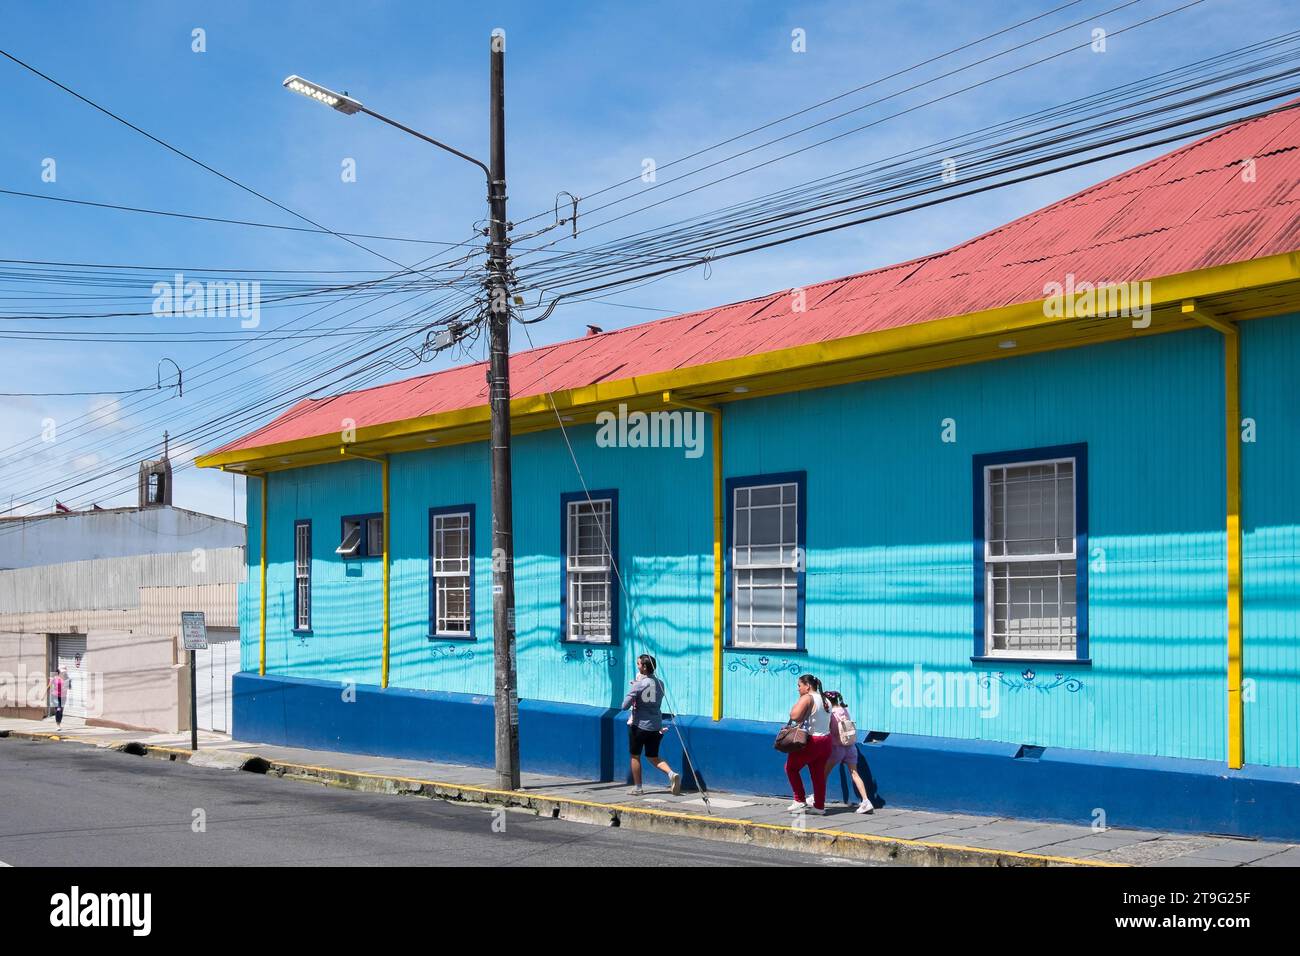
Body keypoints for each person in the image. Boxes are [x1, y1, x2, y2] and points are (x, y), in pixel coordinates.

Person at [620, 654, 682, 796]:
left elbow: (624, 706)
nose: (637, 666)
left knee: (635, 756)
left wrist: (633, 689)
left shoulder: (638, 684)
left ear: (645, 667)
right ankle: (671, 773)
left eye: (639, 664)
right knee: (653, 756)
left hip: (639, 726)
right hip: (656, 725)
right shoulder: (660, 683)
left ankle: (638, 787)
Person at [785, 674, 833, 814]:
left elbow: (794, 716)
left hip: (813, 741)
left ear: (807, 686)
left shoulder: (807, 697)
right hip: (826, 740)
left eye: (799, 686)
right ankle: (819, 806)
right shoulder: (825, 699)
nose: (798, 689)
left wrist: (799, 701)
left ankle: (799, 799)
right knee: (817, 775)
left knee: (790, 768)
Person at [823, 690, 873, 813]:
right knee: (855, 774)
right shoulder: (844, 710)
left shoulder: (831, 714)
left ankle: (818, 797)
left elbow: (830, 730)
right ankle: (866, 801)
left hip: (837, 748)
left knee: (823, 775)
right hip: (851, 747)